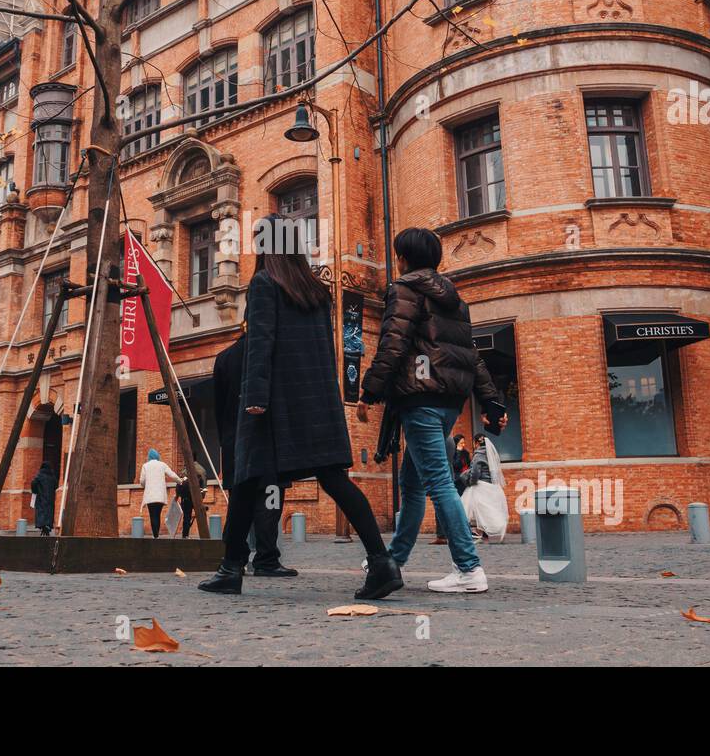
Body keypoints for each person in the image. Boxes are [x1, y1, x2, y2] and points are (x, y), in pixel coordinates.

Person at [199, 215, 401, 599]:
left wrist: (255, 397)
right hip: (313, 402)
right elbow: (326, 350)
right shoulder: (315, 290)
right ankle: (381, 562)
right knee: (334, 479)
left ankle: (230, 569)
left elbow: (260, 344)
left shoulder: (263, 284)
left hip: (271, 405)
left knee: (245, 481)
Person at [358, 227, 508, 593]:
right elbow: (471, 357)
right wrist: (491, 402)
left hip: (420, 400)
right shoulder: (456, 300)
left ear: (404, 258)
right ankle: (394, 560)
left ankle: (469, 569)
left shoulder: (404, 289)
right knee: (411, 484)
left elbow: (393, 343)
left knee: (439, 484)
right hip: (446, 403)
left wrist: (369, 391)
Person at [212, 330, 296, 576]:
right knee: (270, 502)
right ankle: (266, 558)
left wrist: (225, 441)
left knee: (239, 502)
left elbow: (218, 407)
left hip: (234, 442)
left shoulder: (224, 358)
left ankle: (233, 559)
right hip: (267, 442)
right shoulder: (270, 354)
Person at [139, 449, 180, 538]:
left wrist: (145, 485)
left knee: (152, 515)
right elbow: (172, 474)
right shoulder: (162, 465)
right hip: (160, 496)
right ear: (157, 456)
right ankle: (156, 535)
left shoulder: (145, 466)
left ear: (149, 457)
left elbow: (141, 481)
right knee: (157, 515)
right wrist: (180, 481)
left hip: (150, 496)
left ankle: (155, 536)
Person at [175, 459, 207, 538]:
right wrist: (202, 496)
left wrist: (177, 496)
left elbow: (179, 485)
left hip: (186, 498)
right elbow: (204, 484)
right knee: (201, 515)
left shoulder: (184, 471)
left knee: (186, 516)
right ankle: (204, 535)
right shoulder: (201, 469)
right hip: (197, 496)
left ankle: (185, 535)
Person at [29, 462, 58, 536]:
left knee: (41, 512)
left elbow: (33, 483)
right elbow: (56, 485)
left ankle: (43, 527)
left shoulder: (40, 475)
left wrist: (35, 491)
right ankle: (47, 527)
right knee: (49, 512)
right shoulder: (52, 477)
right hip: (50, 499)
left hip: (41, 498)